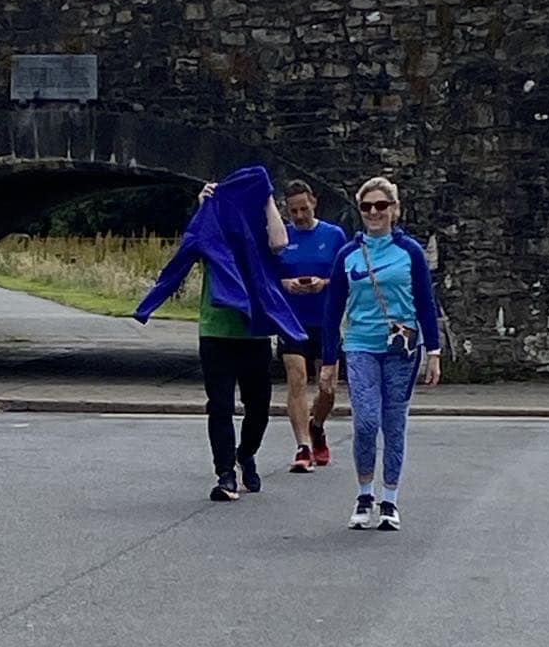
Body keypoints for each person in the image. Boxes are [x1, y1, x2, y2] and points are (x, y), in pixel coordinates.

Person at [134, 167, 303, 503]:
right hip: (215, 331)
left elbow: (280, 242)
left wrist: (266, 196)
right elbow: (186, 251)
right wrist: (204, 207)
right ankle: (225, 473)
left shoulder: (259, 233)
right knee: (220, 405)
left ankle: (245, 454)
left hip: (254, 333)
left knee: (258, 407)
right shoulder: (211, 230)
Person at [319, 177, 441, 531]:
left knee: (394, 422)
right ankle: (364, 494)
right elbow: (332, 310)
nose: (374, 212)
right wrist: (329, 361)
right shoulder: (348, 254)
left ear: (394, 210)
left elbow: (425, 301)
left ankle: (390, 499)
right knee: (366, 422)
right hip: (360, 344)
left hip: (401, 348)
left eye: (381, 206)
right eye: (367, 207)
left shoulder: (410, 252)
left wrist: (434, 351)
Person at [277, 179, 348, 473]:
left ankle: (316, 425)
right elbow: (269, 277)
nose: (299, 216)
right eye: (293, 211)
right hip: (292, 320)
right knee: (297, 379)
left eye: (304, 209)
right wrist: (285, 284)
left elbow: (346, 277)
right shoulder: (281, 237)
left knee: (327, 388)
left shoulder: (334, 235)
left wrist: (324, 283)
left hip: (326, 320)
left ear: (314, 203)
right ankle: (303, 446)